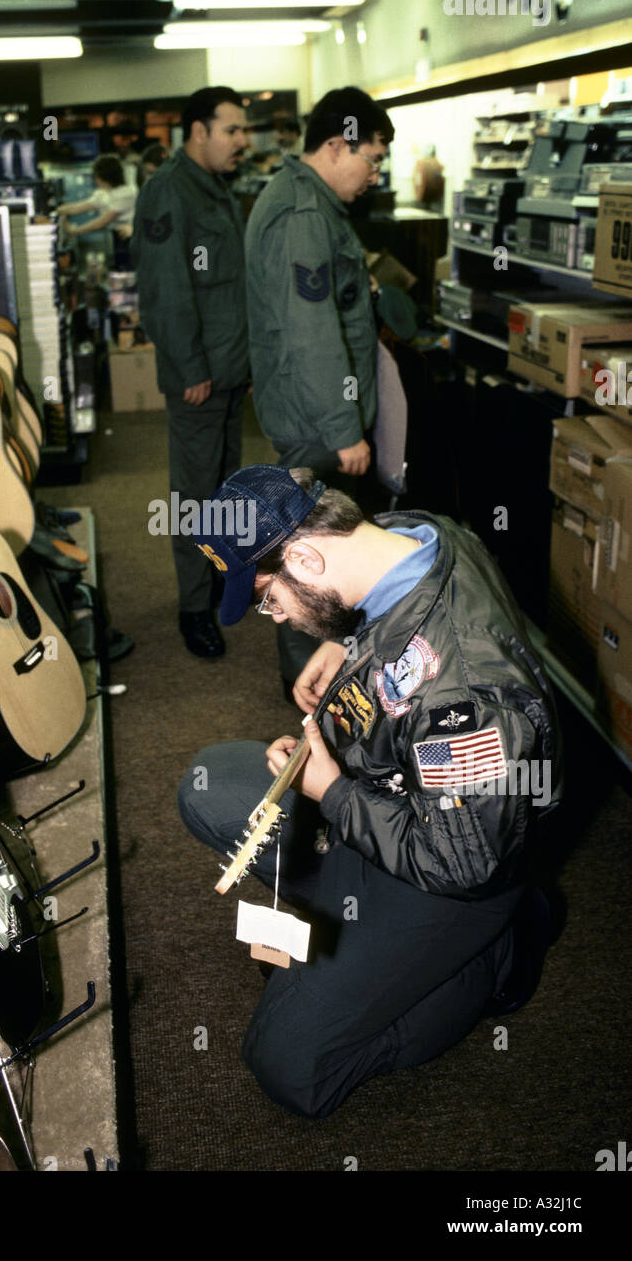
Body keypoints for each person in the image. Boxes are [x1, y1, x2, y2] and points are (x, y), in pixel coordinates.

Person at [178, 463, 560, 1119]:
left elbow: (460, 860)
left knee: (288, 1065)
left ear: (306, 557)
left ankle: (493, 953)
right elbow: (394, 623)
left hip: (455, 870)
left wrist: (329, 791)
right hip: (385, 796)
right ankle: (354, 920)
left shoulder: (464, 698)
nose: (277, 617)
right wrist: (350, 641)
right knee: (208, 786)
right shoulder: (418, 532)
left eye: (270, 599)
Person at [245, 86, 395, 689]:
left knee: (313, 540)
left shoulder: (309, 202)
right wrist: (343, 430)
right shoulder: (304, 214)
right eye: (371, 159)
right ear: (336, 146)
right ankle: (313, 687)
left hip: (311, 405)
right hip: (317, 417)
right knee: (313, 553)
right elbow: (311, 334)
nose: (375, 174)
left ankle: (321, 679)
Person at [131, 86, 249, 659]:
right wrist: (190, 367)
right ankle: (193, 607)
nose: (242, 141)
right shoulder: (168, 191)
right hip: (199, 376)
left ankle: (221, 577)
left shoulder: (216, 187)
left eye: (243, 130)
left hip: (229, 369)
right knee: (195, 496)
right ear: (198, 132)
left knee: (225, 486)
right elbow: (163, 290)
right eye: (232, 130)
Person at [56, 155, 137, 269]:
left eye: (96, 176)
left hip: (128, 239)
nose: (95, 179)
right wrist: (59, 210)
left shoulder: (127, 194)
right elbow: (80, 207)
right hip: (116, 236)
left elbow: (102, 222)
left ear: (104, 177)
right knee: (117, 267)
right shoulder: (103, 193)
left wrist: (74, 231)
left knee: (126, 269)